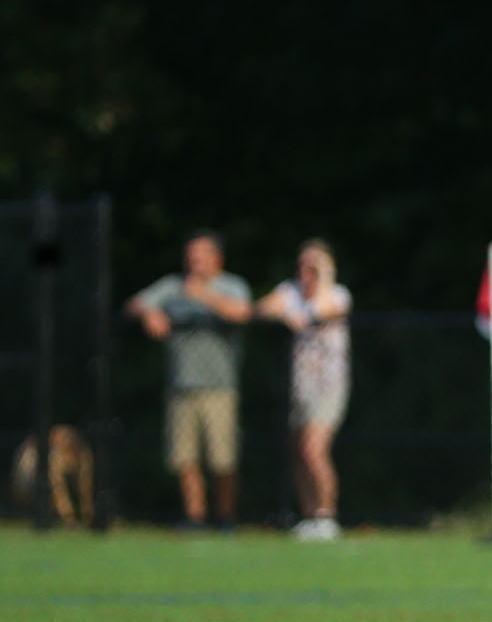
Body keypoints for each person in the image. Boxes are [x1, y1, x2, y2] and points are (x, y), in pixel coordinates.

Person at [126, 230, 252, 529]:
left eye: (200, 256)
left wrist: (205, 296)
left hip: (220, 387)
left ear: (216, 259)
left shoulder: (231, 286)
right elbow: (134, 303)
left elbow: (244, 313)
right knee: (185, 459)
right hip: (180, 386)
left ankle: (226, 517)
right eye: (189, 257)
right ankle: (194, 518)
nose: (193, 262)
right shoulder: (173, 286)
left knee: (224, 460)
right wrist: (149, 313)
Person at [255, 239, 352, 541]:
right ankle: (309, 515)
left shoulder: (337, 293)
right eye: (303, 265)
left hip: (329, 384)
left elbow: (326, 310)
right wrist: (285, 314)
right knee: (299, 452)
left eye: (314, 266)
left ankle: (327, 515)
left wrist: (323, 279)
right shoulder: (291, 292)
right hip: (300, 385)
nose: (306, 272)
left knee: (314, 449)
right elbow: (259, 309)